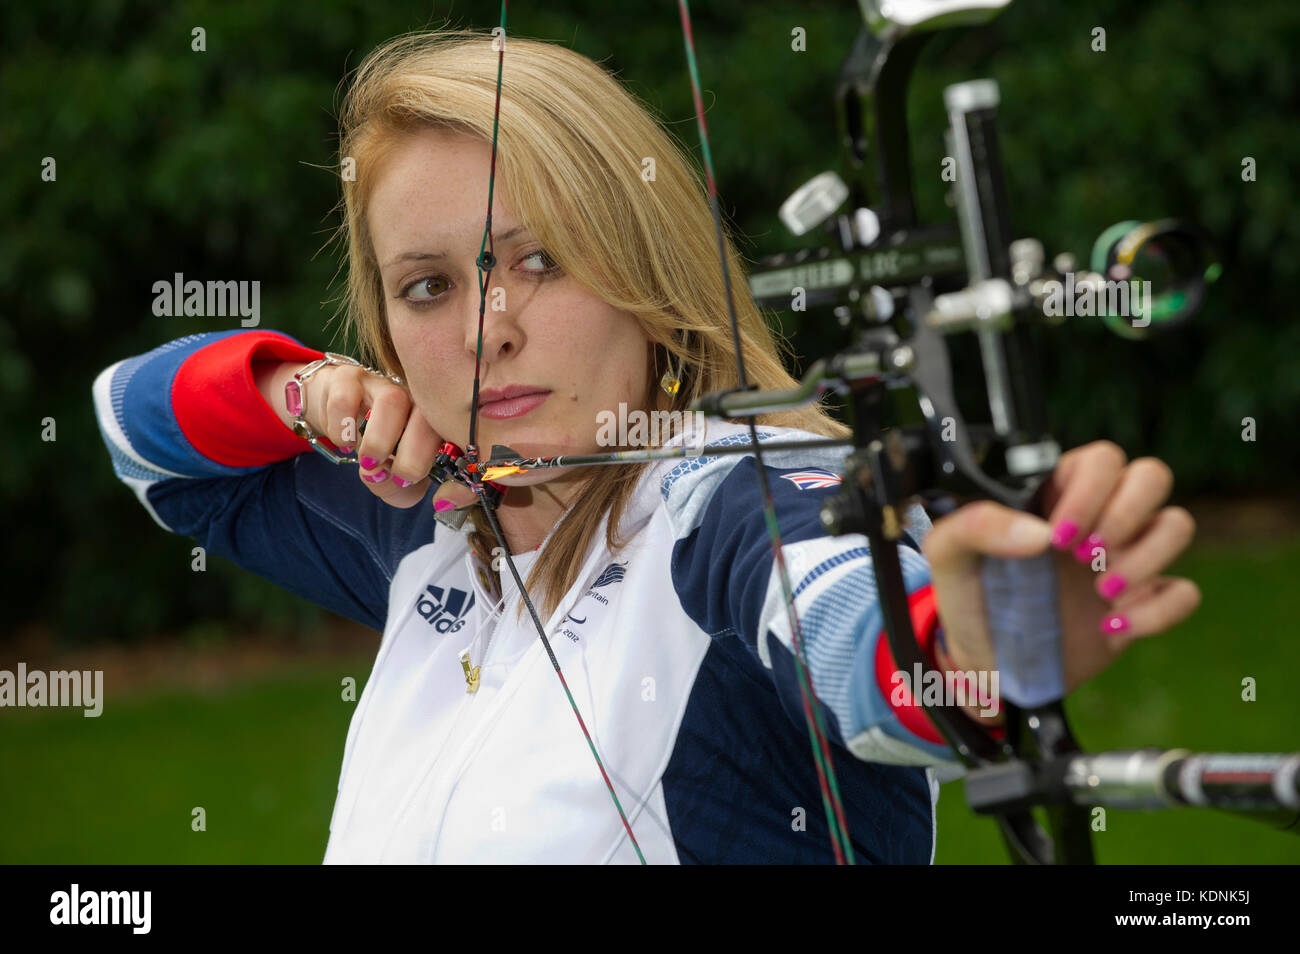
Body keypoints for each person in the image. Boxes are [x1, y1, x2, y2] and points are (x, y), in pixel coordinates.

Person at [91, 29, 1200, 864]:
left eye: (543, 260)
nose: (488, 330)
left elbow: (844, 621)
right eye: (426, 287)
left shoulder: (728, 499)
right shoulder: (427, 525)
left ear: (648, 278)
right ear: (385, 335)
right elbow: (139, 437)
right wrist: (305, 392)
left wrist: (973, 649)